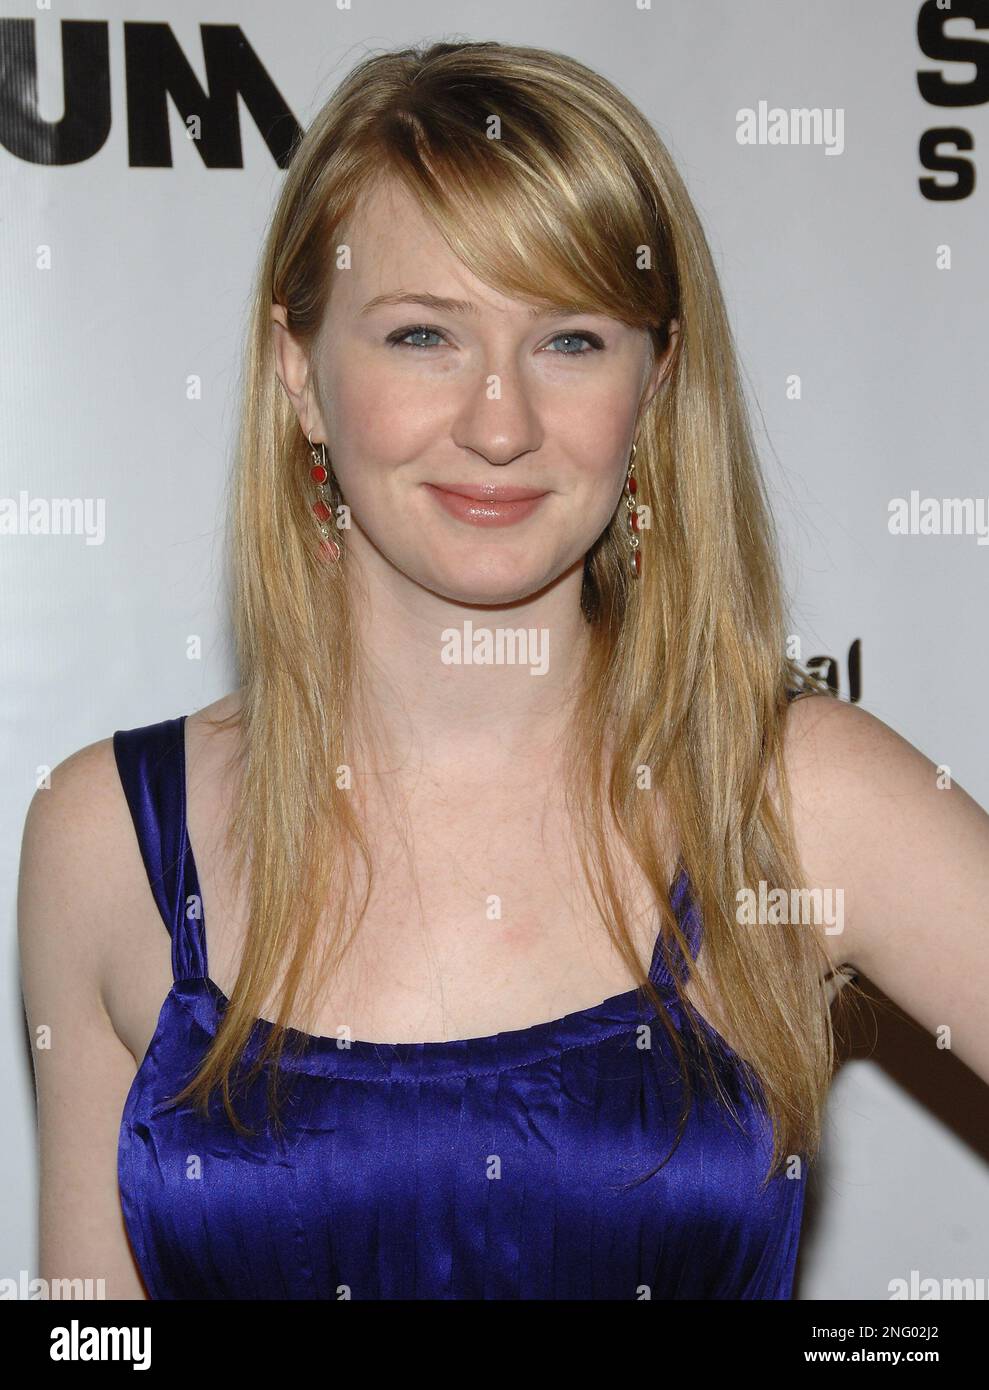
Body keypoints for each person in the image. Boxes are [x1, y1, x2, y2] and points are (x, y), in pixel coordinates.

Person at [18, 39, 989, 1301]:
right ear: (298, 374)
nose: (498, 422)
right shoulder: (113, 838)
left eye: (571, 341)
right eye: (424, 334)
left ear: (654, 388)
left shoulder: (794, 797)